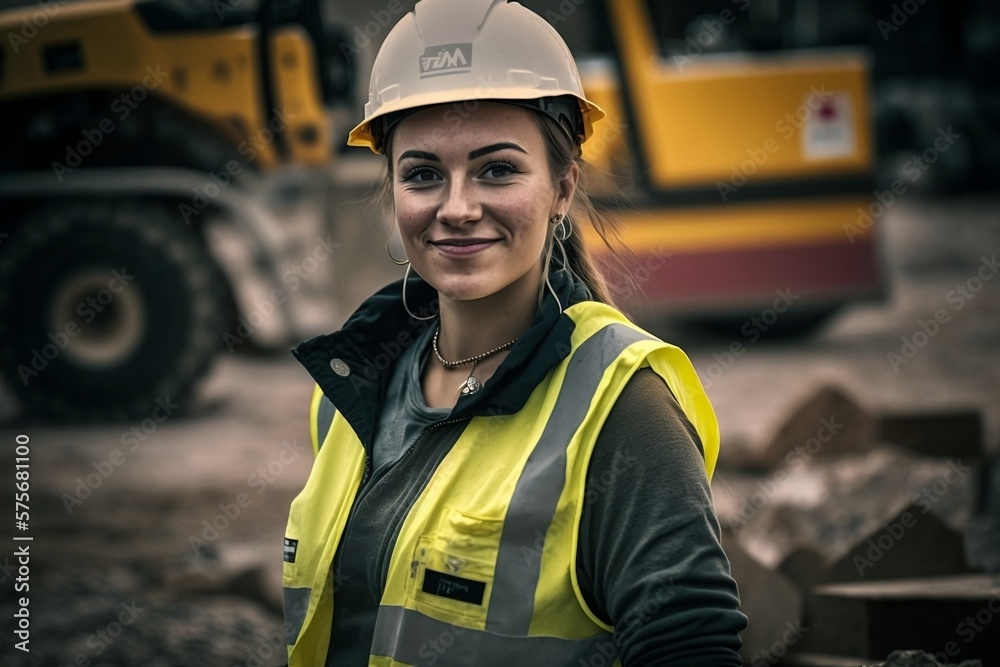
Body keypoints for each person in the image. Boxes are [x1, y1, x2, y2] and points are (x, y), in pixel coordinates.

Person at [283, 0, 748, 665]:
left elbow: (689, 644)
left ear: (562, 188)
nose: (458, 207)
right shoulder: (347, 394)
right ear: (391, 191)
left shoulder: (620, 406)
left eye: (497, 169)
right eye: (422, 175)